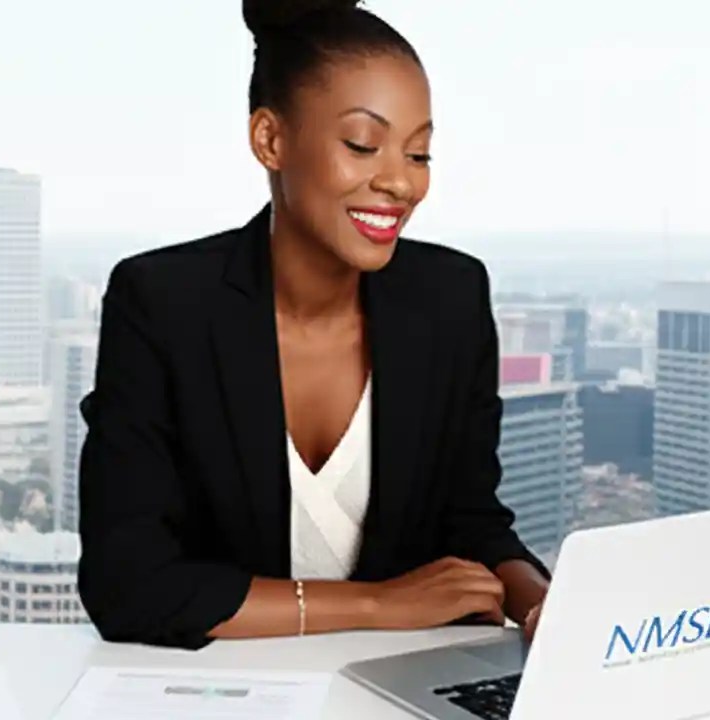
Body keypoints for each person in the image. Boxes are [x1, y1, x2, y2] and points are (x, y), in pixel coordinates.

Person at [77, 0, 550, 651]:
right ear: (271, 140)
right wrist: (376, 604)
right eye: (363, 145)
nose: (400, 183)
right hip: (226, 692)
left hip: (397, 686)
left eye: (419, 155)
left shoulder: (450, 297)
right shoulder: (163, 304)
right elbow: (127, 587)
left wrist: (539, 604)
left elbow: (472, 524)